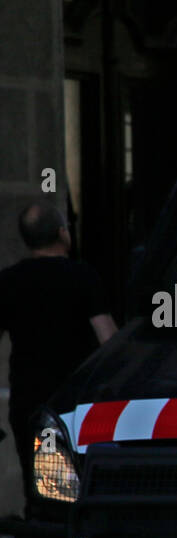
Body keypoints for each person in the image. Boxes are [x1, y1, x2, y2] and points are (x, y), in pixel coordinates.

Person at [0, 202, 117, 500]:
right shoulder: (82, 276)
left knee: (40, 488)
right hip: (73, 400)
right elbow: (108, 340)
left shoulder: (9, 282)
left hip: (29, 399)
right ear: (62, 233)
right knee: (75, 489)